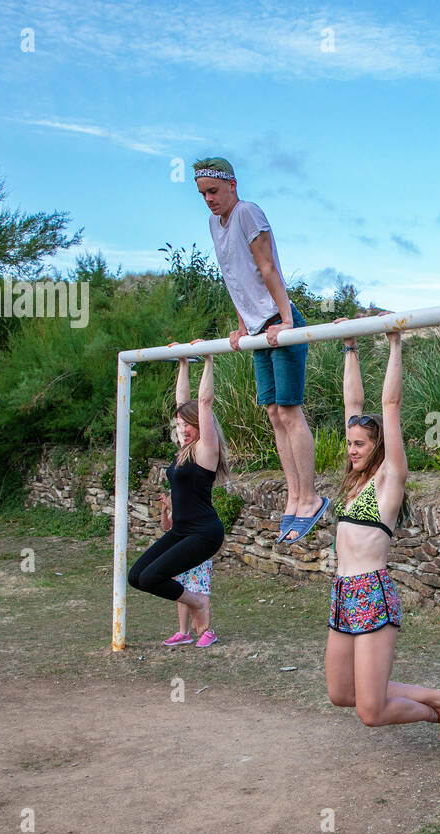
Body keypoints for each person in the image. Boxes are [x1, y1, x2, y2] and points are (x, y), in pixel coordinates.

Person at [325, 325, 440, 739]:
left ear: (378, 446)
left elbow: (390, 403)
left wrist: (394, 343)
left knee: (371, 711)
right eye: (350, 443)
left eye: (360, 444)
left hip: (370, 590)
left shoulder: (389, 479)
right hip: (343, 591)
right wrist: (349, 345)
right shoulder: (354, 483)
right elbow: (353, 401)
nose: (352, 450)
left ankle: (437, 707)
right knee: (341, 693)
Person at [193, 156, 327, 543]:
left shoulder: (248, 212)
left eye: (214, 191)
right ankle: (294, 494)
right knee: (272, 412)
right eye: (202, 194)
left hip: (279, 321)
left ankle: (311, 496)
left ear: (232, 185)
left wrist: (285, 320)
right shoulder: (213, 226)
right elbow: (233, 278)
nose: (209, 199)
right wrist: (241, 326)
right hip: (255, 329)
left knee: (289, 409)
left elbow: (267, 267)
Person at [128, 353, 227, 644]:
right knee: (136, 577)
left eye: (188, 425)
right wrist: (183, 363)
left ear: (201, 425)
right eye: (179, 424)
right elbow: (182, 403)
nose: (182, 430)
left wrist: (208, 361)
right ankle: (196, 604)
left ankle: (198, 604)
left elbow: (204, 403)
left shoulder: (206, 449)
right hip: (181, 531)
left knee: (150, 578)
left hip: (204, 532)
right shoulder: (184, 449)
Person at [158, 490, 214, 647]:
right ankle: (183, 633)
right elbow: (166, 527)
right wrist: (164, 511)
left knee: (198, 593)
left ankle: (207, 632)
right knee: (181, 593)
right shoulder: (178, 510)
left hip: (198, 558)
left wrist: (173, 509)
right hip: (182, 558)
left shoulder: (195, 507)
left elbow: (185, 524)